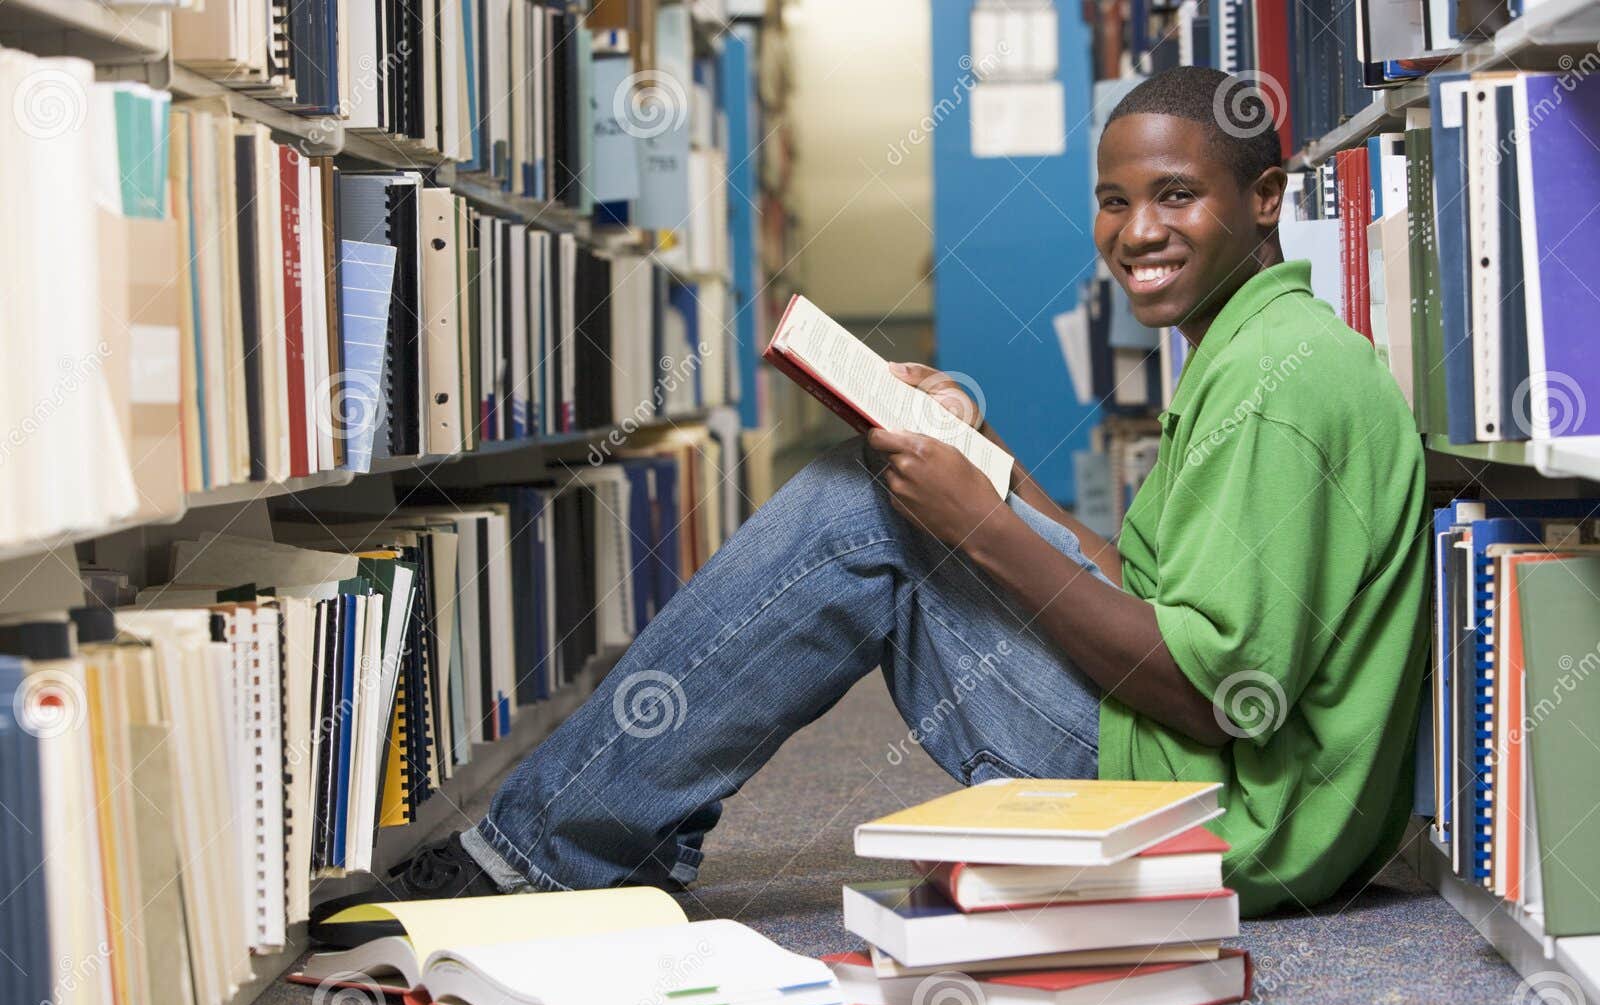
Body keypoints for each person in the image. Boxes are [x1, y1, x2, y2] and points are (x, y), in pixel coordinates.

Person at [313, 66, 1427, 935]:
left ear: (1266, 197)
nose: (1137, 231)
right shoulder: (1252, 349)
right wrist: (982, 457)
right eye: (1113, 201)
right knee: (889, 486)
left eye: (1175, 195)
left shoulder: (1278, 386)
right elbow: (1139, 590)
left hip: (1227, 817)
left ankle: (541, 856)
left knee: (856, 507)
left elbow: (1216, 695)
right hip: (1202, 779)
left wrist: (978, 525)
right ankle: (593, 834)